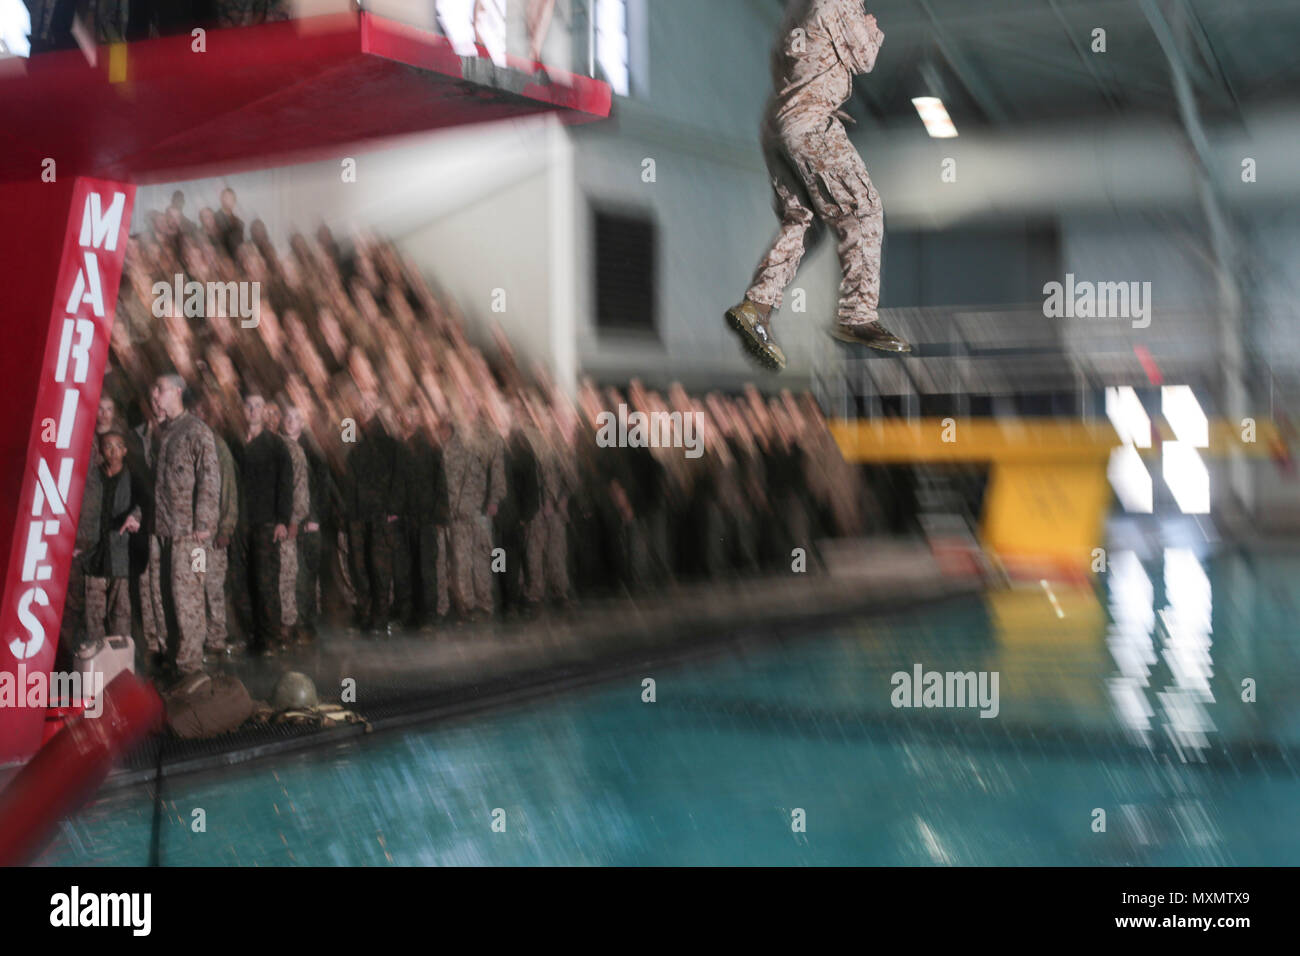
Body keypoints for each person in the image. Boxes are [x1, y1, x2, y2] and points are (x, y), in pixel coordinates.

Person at [726, 0, 910, 372]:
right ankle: (856, 316)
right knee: (864, 209)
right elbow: (865, 58)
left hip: (776, 127)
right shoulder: (839, 3)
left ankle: (757, 306)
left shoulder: (796, 8)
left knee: (803, 222)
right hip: (811, 124)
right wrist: (871, 27)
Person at [145, 374, 221, 678]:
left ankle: (190, 668)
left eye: (159, 389)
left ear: (177, 391)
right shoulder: (166, 433)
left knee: (186, 600)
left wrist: (204, 522)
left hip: (189, 534)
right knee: (165, 600)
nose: (155, 395)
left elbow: (210, 477)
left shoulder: (196, 431)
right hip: (164, 530)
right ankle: (174, 660)